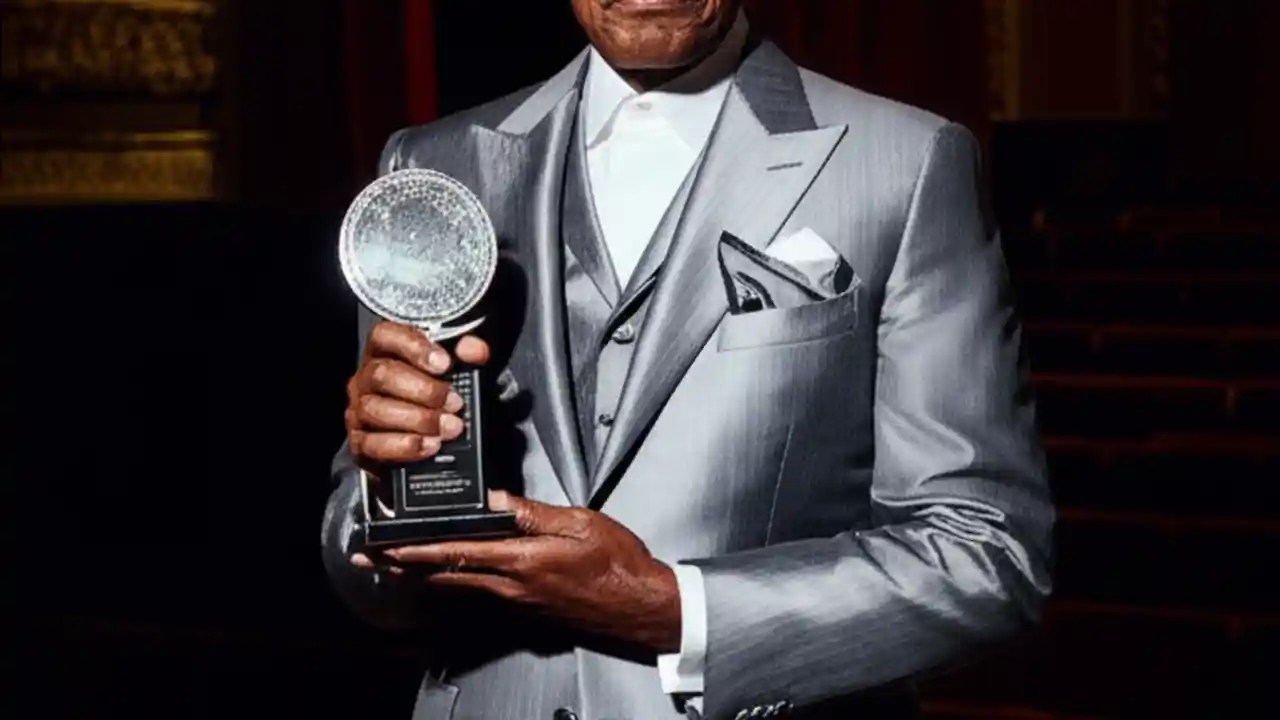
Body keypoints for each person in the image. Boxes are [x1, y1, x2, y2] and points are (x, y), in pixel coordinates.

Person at [321, 1, 1054, 718]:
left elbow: (986, 554)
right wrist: (388, 492)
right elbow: (368, 577)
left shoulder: (906, 162)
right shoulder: (433, 166)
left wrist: (673, 608)